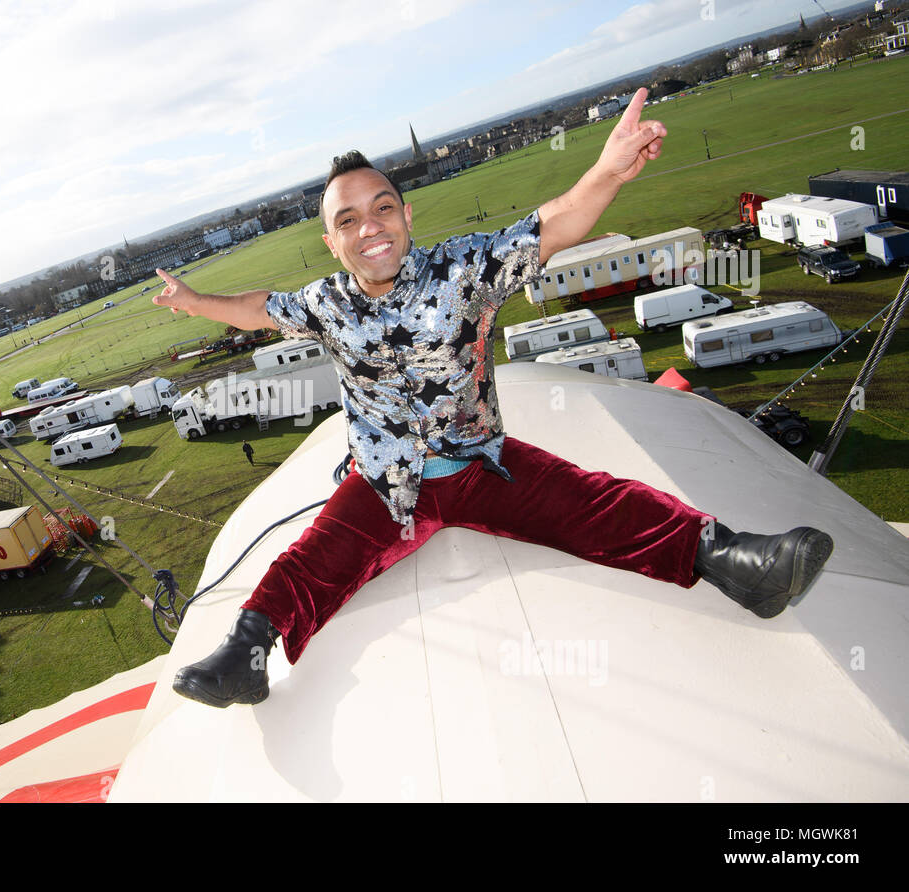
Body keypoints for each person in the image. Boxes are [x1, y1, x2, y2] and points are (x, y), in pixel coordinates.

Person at [153, 90, 833, 709]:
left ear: (406, 214)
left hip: (483, 467)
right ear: (332, 243)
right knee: (311, 559)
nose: (371, 227)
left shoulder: (463, 270)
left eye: (383, 207)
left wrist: (611, 170)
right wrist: (192, 300)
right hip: (384, 482)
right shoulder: (322, 304)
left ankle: (735, 562)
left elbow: (554, 226)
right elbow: (254, 309)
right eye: (349, 219)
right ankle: (246, 654)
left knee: (595, 502)